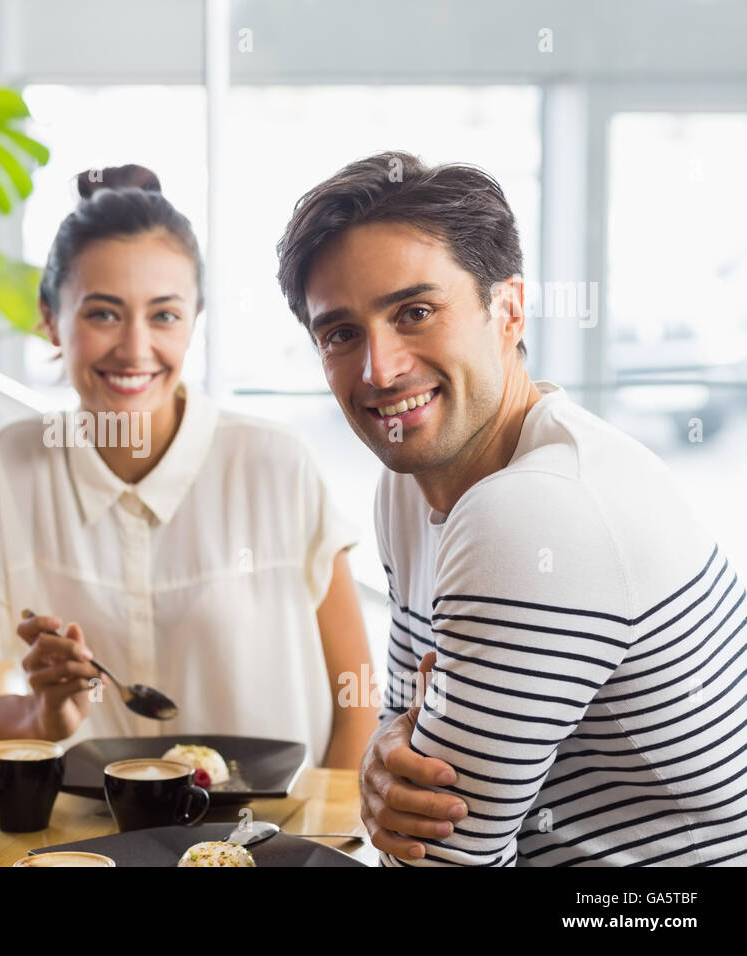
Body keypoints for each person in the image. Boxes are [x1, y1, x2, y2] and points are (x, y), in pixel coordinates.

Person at [277, 150, 747, 865]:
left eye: (415, 312)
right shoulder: (410, 484)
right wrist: (383, 762)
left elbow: (441, 857)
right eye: (341, 333)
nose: (379, 368)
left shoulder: (534, 513)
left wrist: (396, 779)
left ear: (509, 309)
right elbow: (409, 750)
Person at [0, 164, 378, 768]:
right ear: (49, 321)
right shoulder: (17, 464)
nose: (135, 348)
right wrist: (37, 718)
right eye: (102, 313)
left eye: (164, 315)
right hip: (88, 850)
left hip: (271, 844)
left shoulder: (273, 464)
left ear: (194, 321)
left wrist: (321, 847)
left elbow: (359, 706)